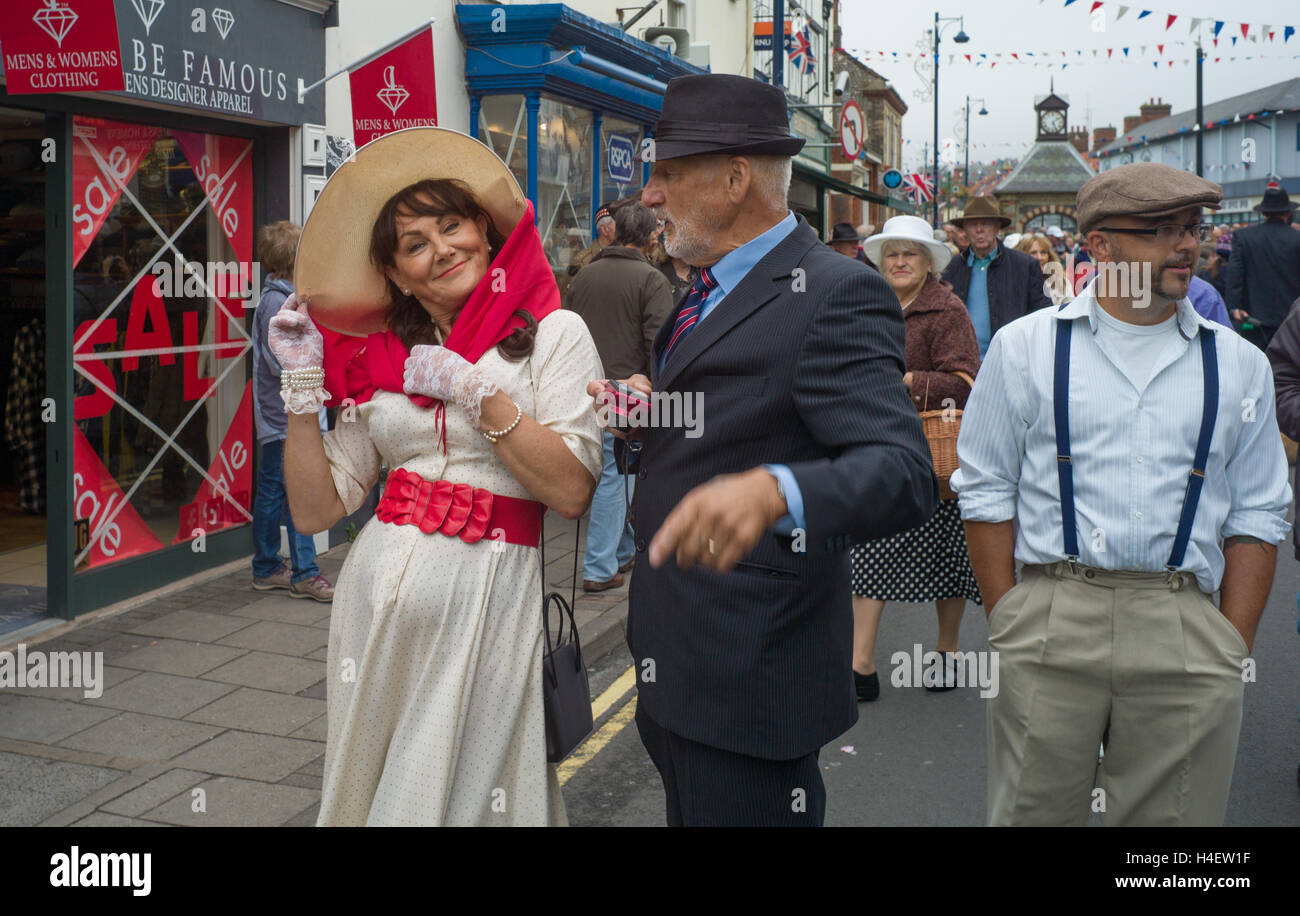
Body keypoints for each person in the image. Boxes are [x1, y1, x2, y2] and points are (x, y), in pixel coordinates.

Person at [592, 74, 937, 826]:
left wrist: (777, 490)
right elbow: (738, 416)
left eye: (668, 173)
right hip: (678, 663)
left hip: (751, 682)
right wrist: (650, 415)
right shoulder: (701, 286)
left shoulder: (836, 293)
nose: (650, 195)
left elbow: (904, 473)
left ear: (735, 177)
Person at [273, 129, 604, 826]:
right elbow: (313, 509)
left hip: (488, 609)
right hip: (373, 614)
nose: (442, 249)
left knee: (466, 799)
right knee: (374, 795)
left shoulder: (557, 335)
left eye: (451, 226)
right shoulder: (382, 357)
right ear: (396, 274)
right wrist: (301, 385)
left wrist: (479, 393)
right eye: (415, 244)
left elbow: (572, 489)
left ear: (485, 231)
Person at [953, 161, 1291, 826]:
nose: (1186, 245)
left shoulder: (1239, 363)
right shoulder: (1025, 349)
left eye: (1191, 228)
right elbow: (986, 492)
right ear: (1100, 246)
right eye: (1158, 230)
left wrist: (1231, 645)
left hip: (1182, 615)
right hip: (1055, 605)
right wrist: (1012, 622)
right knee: (1032, 814)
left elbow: (1257, 511)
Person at [850, 216, 982, 701]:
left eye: (910, 254)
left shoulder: (947, 310)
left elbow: (967, 381)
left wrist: (909, 382)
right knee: (869, 550)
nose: (900, 261)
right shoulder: (866, 303)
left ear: (928, 263)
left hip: (934, 457)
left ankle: (946, 652)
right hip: (876, 445)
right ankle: (861, 664)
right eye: (892, 254)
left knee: (948, 558)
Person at [567, 202, 675, 591]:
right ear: (650, 237)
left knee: (610, 474)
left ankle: (624, 550)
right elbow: (661, 346)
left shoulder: (583, 276)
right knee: (617, 475)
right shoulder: (650, 280)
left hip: (583, 385)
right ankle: (598, 567)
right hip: (627, 390)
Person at [250, 220, 334, 601]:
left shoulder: (278, 296)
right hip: (284, 414)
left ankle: (267, 565)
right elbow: (277, 362)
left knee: (272, 488)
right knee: (297, 488)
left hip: (280, 412)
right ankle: (303, 571)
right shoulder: (275, 303)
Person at [941, 195, 1051, 358]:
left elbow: (1043, 315)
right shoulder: (952, 268)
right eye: (972, 224)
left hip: (1011, 362)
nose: (979, 230)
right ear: (964, 229)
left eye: (985, 223)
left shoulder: (1025, 266)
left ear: (997, 227)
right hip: (963, 365)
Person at [1225, 181, 1300, 348]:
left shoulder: (1243, 237)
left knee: (1255, 366)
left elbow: (1235, 272)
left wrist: (1234, 306)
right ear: (1288, 212)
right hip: (1292, 318)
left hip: (1254, 315)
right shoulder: (1296, 238)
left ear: (1264, 212)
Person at [558, 203, 616, 302]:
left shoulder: (623, 255)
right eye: (619, 225)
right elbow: (568, 301)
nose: (625, 228)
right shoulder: (583, 262)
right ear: (605, 229)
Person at [1018, 233, 1070, 307]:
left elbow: (1069, 311)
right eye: (1033, 253)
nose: (1039, 257)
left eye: (1043, 253)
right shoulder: (1014, 281)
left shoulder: (1061, 281)